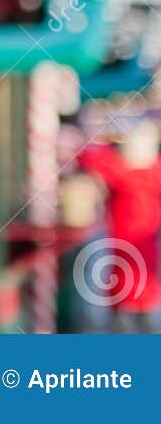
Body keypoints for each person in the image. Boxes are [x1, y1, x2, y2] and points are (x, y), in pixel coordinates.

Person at [77, 120, 161, 332]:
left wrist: (104, 140)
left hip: (128, 245)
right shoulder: (152, 172)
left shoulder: (123, 172)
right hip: (135, 245)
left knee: (127, 288)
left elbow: (88, 156)